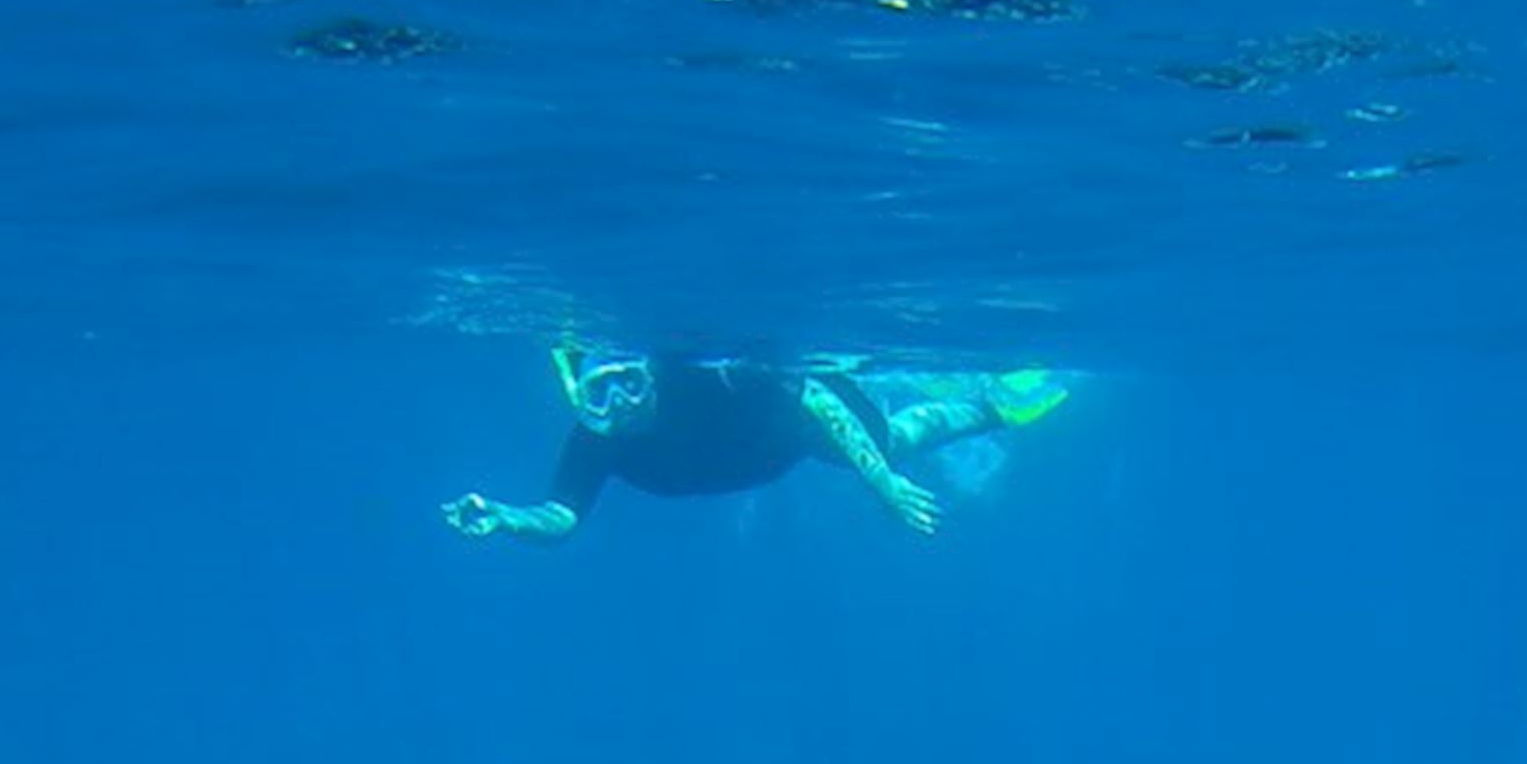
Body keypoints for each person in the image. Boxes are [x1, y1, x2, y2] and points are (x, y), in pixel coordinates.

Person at [439, 339, 1070, 542]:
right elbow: (563, 514)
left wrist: (882, 485)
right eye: (600, 395)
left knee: (893, 443)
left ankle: (989, 401)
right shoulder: (594, 443)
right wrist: (503, 517)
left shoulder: (696, 380)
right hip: (761, 454)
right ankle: (968, 399)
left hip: (792, 423)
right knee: (891, 446)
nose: (624, 406)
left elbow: (814, 399)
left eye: (631, 382)